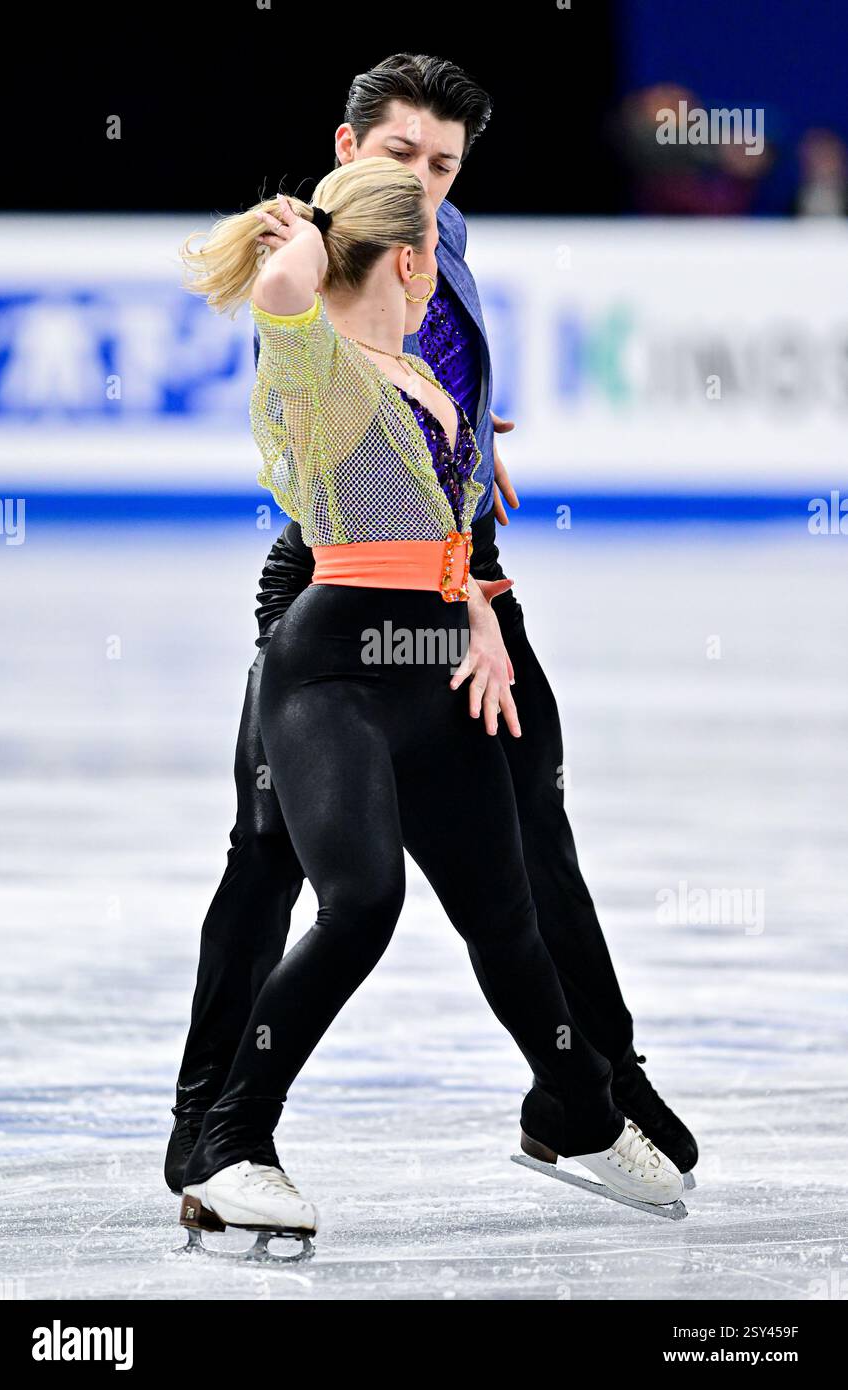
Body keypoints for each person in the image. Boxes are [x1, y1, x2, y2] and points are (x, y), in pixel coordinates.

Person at [166, 52, 697, 1199]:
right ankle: (213, 1123)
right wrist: (304, 228)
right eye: (402, 158)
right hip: (333, 598)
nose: (427, 185)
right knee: (293, 875)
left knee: (515, 858)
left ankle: (587, 1093)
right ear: (350, 153)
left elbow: (432, 453)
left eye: (444, 165)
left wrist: (473, 577)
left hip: (447, 602)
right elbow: (290, 308)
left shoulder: (433, 253)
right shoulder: (319, 313)